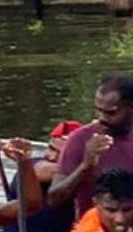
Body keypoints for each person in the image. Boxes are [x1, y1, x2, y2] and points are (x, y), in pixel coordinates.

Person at [1, 121, 80, 232]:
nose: (51, 156)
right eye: (51, 149)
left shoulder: (80, 179)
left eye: (61, 154)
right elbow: (45, 171)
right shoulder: (31, 168)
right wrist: (87, 165)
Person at [50, 74, 133, 217]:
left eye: (111, 113)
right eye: (98, 110)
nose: (102, 118)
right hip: (95, 231)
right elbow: (54, 199)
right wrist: (85, 166)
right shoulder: (80, 139)